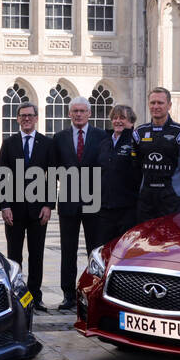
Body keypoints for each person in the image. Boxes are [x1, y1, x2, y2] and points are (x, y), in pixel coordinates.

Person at [50, 96, 107, 311]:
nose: (79, 114)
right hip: (69, 202)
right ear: (69, 114)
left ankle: (94, 293)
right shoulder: (59, 138)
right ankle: (68, 295)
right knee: (68, 250)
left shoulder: (102, 136)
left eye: (82, 110)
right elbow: (54, 168)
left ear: (89, 113)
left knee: (95, 251)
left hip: (95, 202)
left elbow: (104, 167)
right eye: (75, 111)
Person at [0, 102, 53, 312]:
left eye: (30, 115)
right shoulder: (9, 143)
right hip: (15, 210)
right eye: (23, 116)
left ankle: (35, 297)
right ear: (18, 119)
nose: (27, 119)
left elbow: (53, 175)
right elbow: (3, 176)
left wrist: (49, 205)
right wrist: (4, 206)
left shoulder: (47, 143)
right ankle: (16, 297)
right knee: (14, 256)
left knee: (37, 254)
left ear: (36, 118)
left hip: (39, 210)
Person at [134, 87, 180, 223]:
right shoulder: (139, 133)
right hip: (146, 203)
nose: (156, 106)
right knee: (144, 242)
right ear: (148, 104)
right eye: (153, 103)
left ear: (169, 105)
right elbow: (134, 169)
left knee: (173, 243)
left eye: (160, 103)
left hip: (173, 202)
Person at [98, 104, 140, 244]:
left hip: (127, 208)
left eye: (122, 118)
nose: (118, 121)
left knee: (124, 249)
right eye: (115, 118)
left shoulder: (136, 141)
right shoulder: (105, 142)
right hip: (105, 209)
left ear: (131, 121)